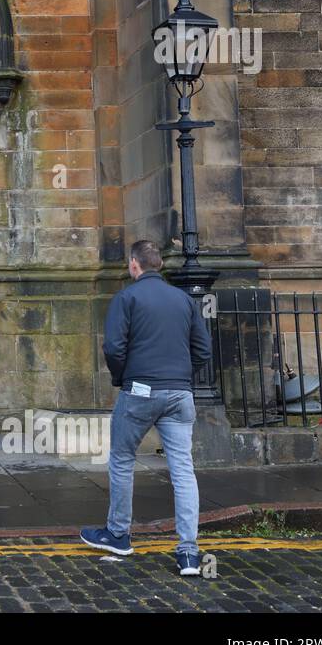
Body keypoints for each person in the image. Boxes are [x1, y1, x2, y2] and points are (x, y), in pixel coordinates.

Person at [80, 239, 213, 578]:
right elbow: (203, 350)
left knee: (123, 459)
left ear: (134, 265)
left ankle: (119, 534)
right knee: (183, 469)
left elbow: (113, 347)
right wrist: (180, 377)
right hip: (179, 394)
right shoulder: (183, 299)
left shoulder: (127, 297)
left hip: (139, 390)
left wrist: (123, 377)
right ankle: (189, 554)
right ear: (159, 266)